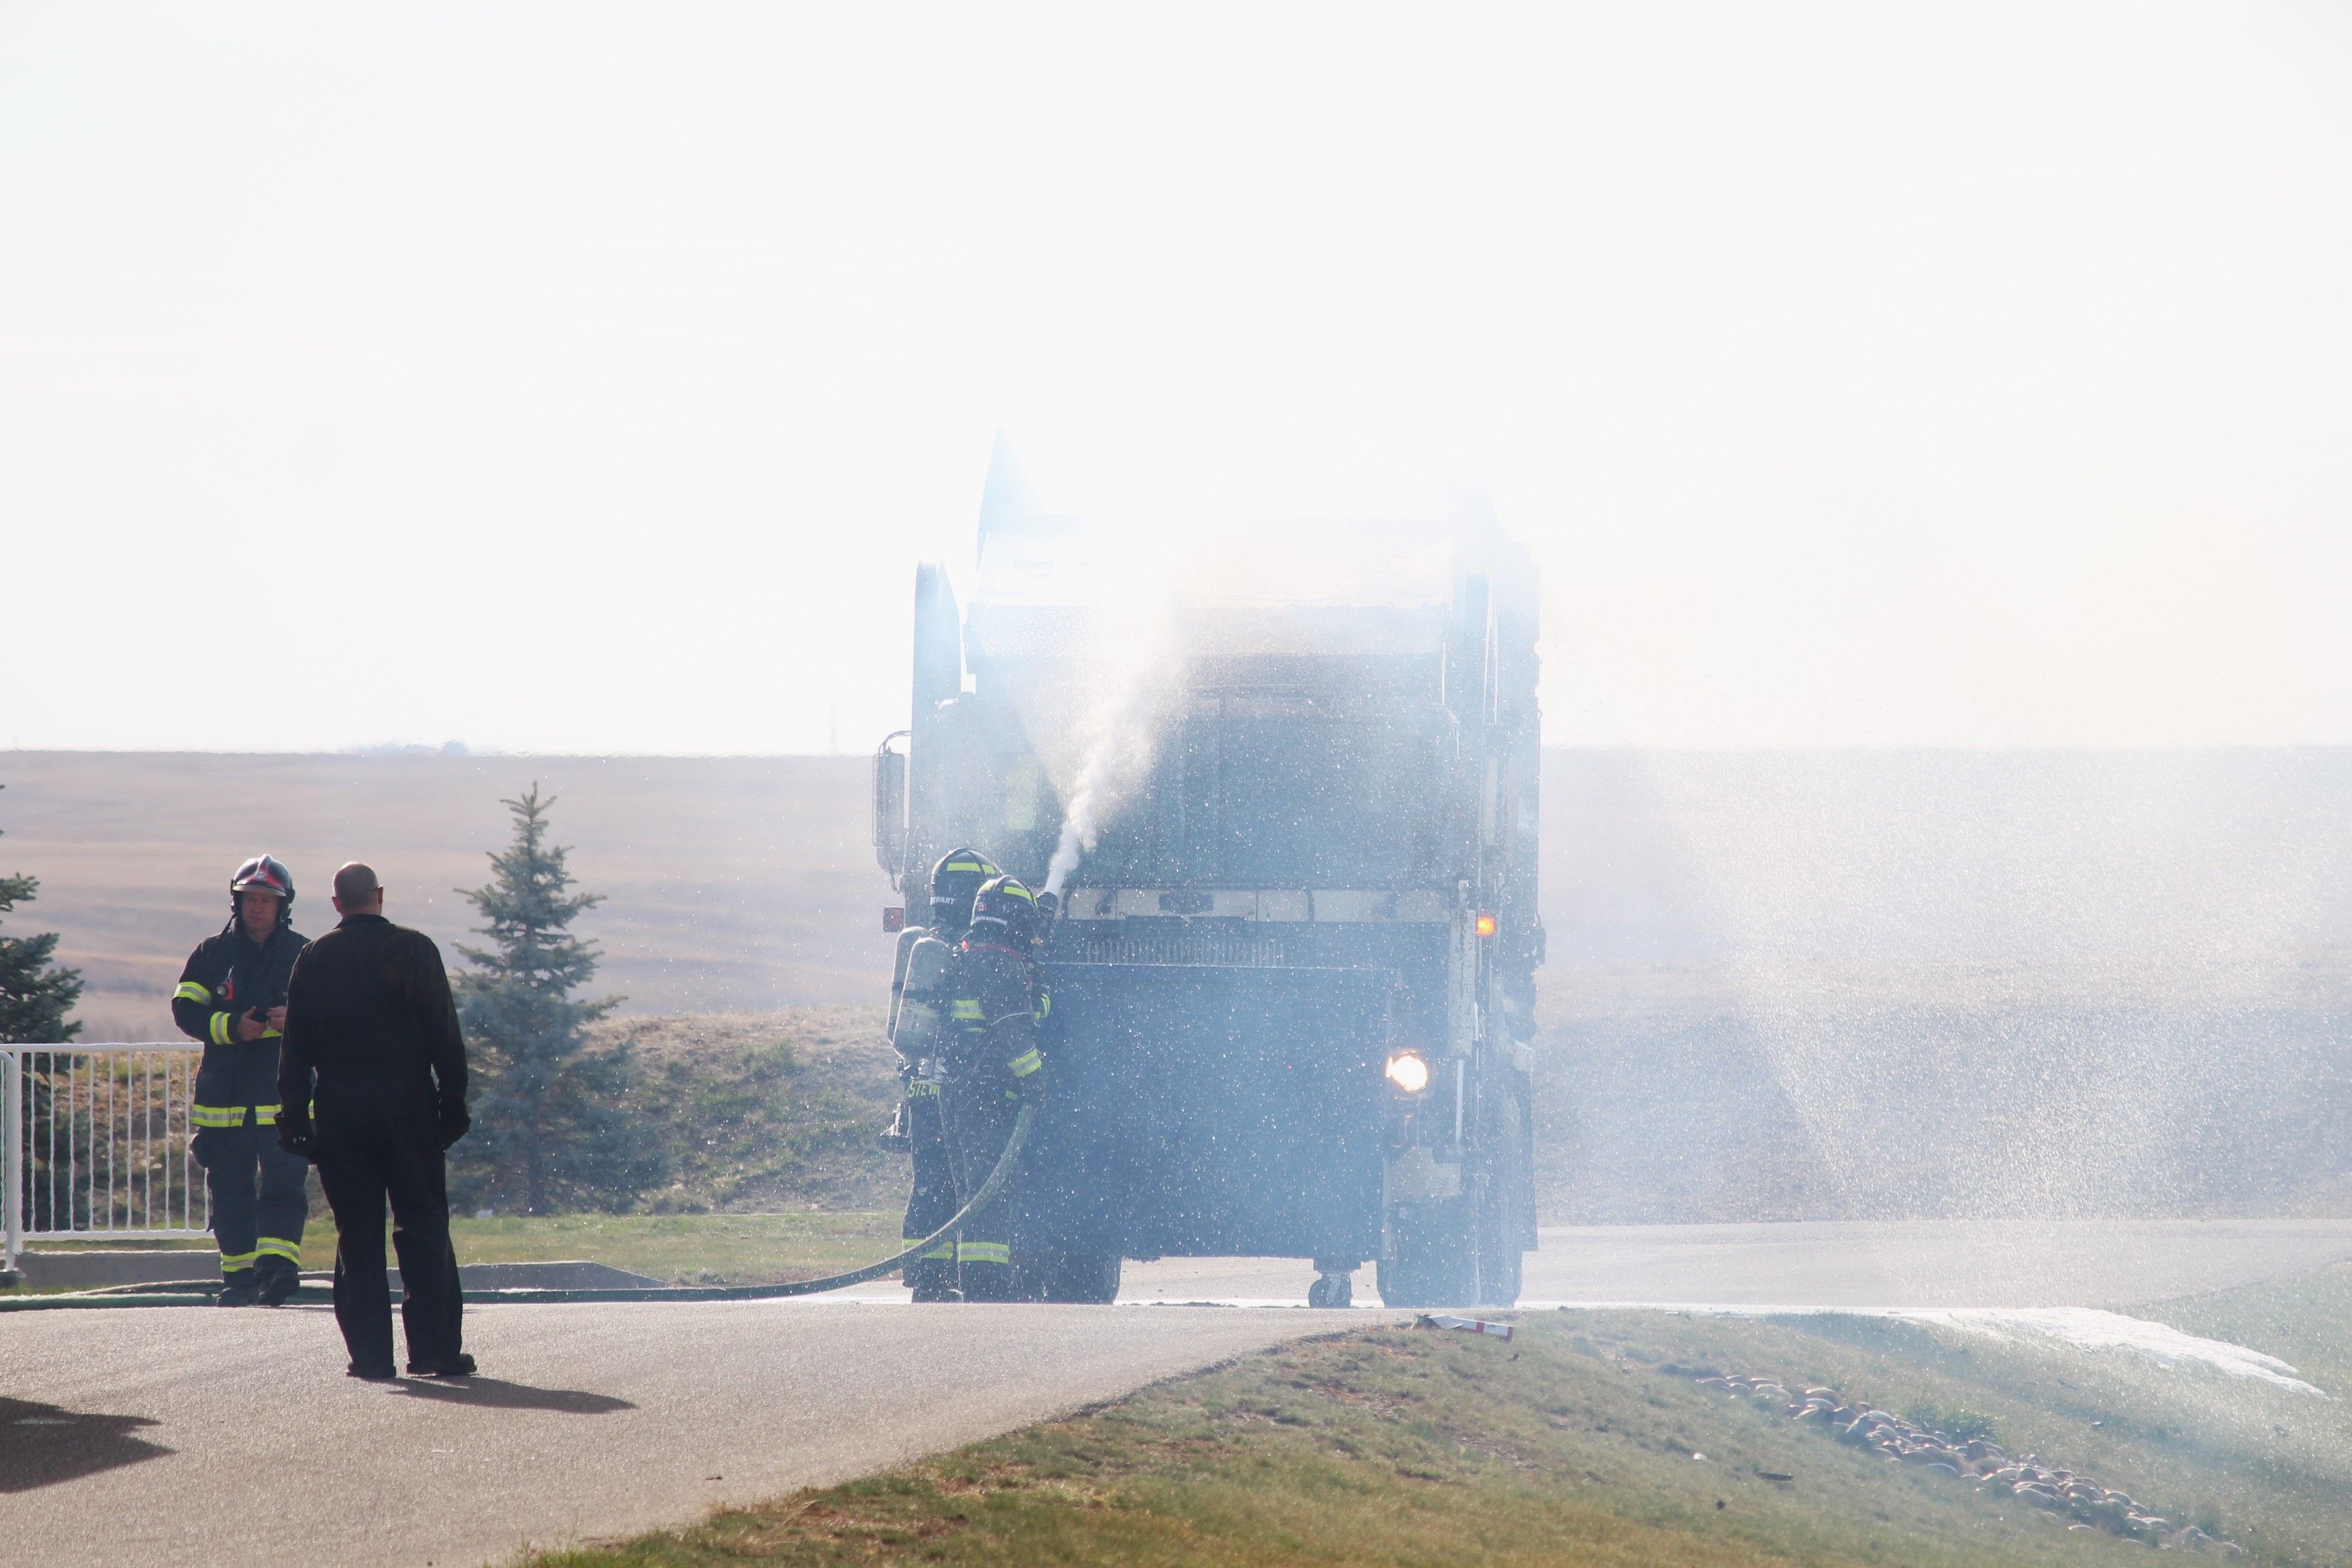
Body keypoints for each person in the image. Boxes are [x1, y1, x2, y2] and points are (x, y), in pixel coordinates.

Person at [274, 862, 473, 1379]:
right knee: (424, 1228)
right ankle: (433, 1352)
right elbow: (444, 1036)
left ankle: (371, 1357)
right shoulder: (416, 950)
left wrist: (295, 1119)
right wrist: (452, 1103)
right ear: (379, 897)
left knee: (357, 1237)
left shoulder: (313, 959)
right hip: (410, 1114)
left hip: (343, 1117)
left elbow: (295, 1052)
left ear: (337, 904)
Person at [171, 854, 310, 1307]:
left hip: (281, 1098)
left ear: (281, 905)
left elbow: (335, 1014)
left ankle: (279, 1272)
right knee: (229, 1192)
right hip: (224, 1100)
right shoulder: (212, 954)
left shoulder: (304, 955)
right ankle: (239, 1279)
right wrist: (232, 1028)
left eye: (266, 900)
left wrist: (297, 1019)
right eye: (250, 898)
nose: (257, 908)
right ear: (238, 901)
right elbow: (185, 1010)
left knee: (284, 1187)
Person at [886, 847, 998, 1301]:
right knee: (965, 1181)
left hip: (919, 1083)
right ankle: (969, 1277)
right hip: (954, 1086)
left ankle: (926, 1279)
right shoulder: (968, 953)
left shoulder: (920, 949)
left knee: (928, 1180)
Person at [938, 874, 1048, 1303]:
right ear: (1017, 918)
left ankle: (977, 1282)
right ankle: (986, 1288)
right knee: (990, 1191)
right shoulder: (999, 962)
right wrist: (1034, 1079)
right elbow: (1013, 1033)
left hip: (960, 1089)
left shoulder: (968, 953)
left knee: (972, 1188)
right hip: (986, 1094)